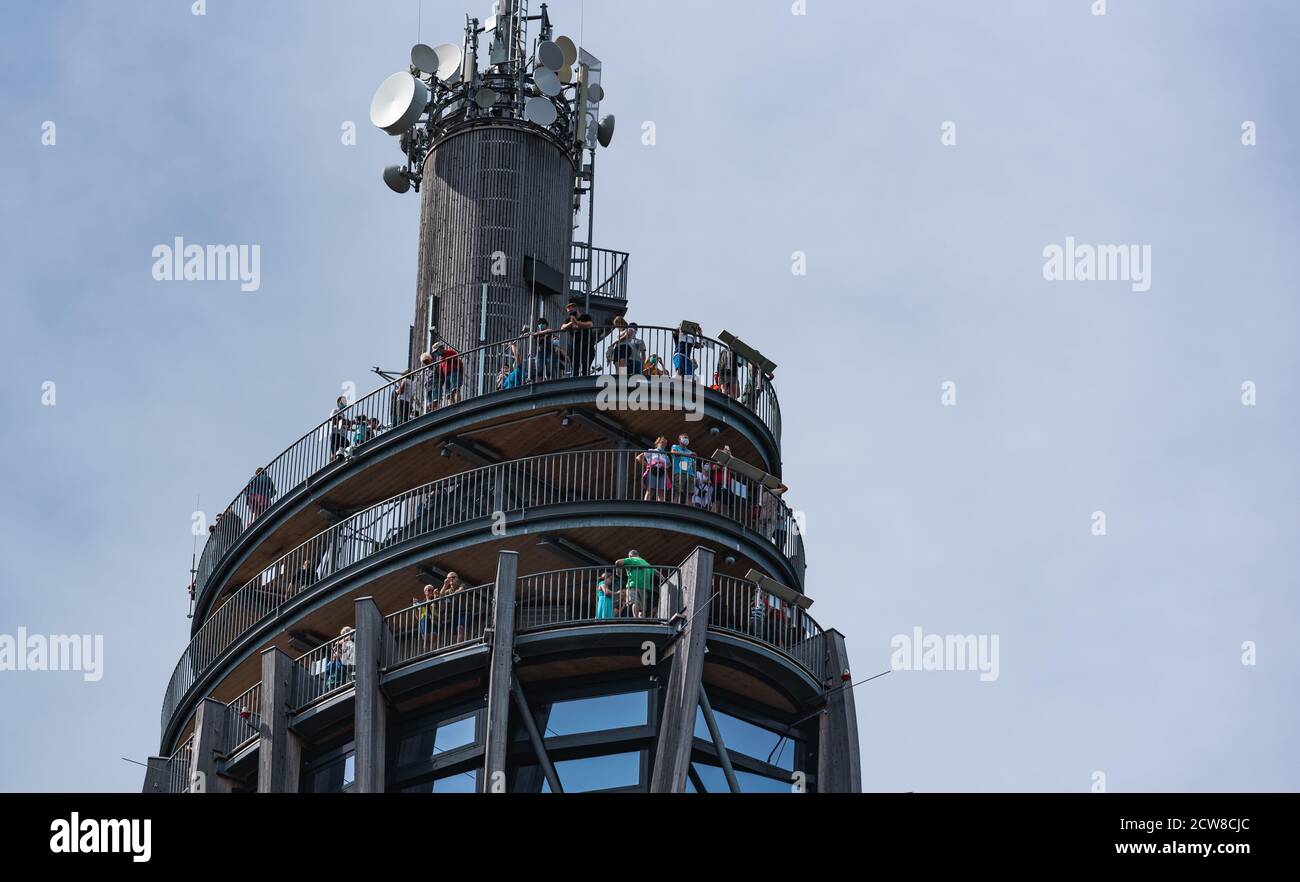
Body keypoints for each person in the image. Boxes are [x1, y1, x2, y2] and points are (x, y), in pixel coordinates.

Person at [615, 551, 654, 619]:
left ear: (630, 555)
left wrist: (618, 570)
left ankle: (636, 619)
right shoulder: (645, 562)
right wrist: (664, 578)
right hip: (644, 586)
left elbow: (618, 562)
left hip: (633, 585)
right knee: (642, 609)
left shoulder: (632, 559)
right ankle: (641, 621)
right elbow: (656, 572)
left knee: (635, 603)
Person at [560, 301, 595, 377]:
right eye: (569, 312)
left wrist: (577, 322)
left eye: (571, 311)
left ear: (576, 309)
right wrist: (572, 323)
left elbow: (590, 324)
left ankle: (585, 381)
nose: (570, 313)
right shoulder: (569, 320)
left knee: (585, 367)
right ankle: (575, 381)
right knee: (575, 366)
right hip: (576, 346)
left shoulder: (585, 317)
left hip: (587, 345)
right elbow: (562, 327)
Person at [636, 436, 671, 502]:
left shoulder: (666, 456)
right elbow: (639, 457)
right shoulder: (651, 451)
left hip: (662, 473)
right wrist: (647, 465)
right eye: (662, 442)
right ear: (657, 443)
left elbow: (668, 466)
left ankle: (660, 507)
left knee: (661, 492)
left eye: (665, 444)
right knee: (650, 490)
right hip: (652, 471)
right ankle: (646, 506)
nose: (663, 445)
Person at [412, 584, 440, 654]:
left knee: (434, 636)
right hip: (424, 620)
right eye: (429, 590)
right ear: (425, 592)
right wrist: (414, 607)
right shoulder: (421, 603)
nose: (431, 591)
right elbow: (418, 617)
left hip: (434, 619)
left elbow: (440, 608)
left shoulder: (436, 599)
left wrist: (437, 596)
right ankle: (425, 654)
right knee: (426, 639)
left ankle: (432, 653)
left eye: (432, 590)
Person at [432, 341, 462, 406]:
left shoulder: (451, 352)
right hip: (446, 377)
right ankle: (452, 407)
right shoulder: (441, 359)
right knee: (448, 394)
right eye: (435, 352)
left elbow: (459, 363)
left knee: (455, 389)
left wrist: (460, 374)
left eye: (437, 351)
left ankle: (458, 405)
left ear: (441, 348)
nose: (437, 353)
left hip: (454, 373)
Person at [325, 626, 355, 690]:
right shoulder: (336, 660)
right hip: (333, 681)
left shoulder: (354, 634)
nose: (342, 637)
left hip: (343, 678)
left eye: (343, 635)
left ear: (347, 632)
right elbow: (328, 670)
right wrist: (333, 658)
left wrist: (340, 655)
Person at [670, 432, 695, 505]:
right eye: (684, 437)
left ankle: (690, 511)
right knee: (678, 492)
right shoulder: (675, 447)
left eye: (687, 438)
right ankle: (674, 509)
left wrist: (694, 475)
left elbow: (693, 465)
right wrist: (689, 455)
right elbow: (673, 452)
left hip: (690, 474)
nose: (686, 439)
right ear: (679, 439)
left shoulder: (690, 451)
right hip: (679, 472)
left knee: (689, 495)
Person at [329, 396, 351, 461]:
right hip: (335, 434)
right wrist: (344, 422)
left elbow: (346, 426)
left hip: (343, 435)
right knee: (335, 452)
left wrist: (348, 423)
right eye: (343, 401)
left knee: (347, 447)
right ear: (339, 402)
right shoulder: (335, 411)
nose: (345, 402)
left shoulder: (343, 415)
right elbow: (333, 420)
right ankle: (331, 465)